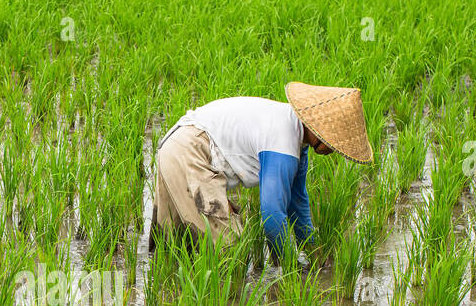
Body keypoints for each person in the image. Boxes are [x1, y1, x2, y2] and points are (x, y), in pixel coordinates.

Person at [148, 82, 374, 263]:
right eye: (334, 144)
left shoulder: (295, 140)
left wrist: (315, 253)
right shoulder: (283, 140)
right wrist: (289, 268)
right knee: (230, 252)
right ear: (319, 131)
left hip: (178, 145)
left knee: (172, 250)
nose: (333, 150)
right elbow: (272, 215)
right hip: (191, 152)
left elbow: (297, 203)